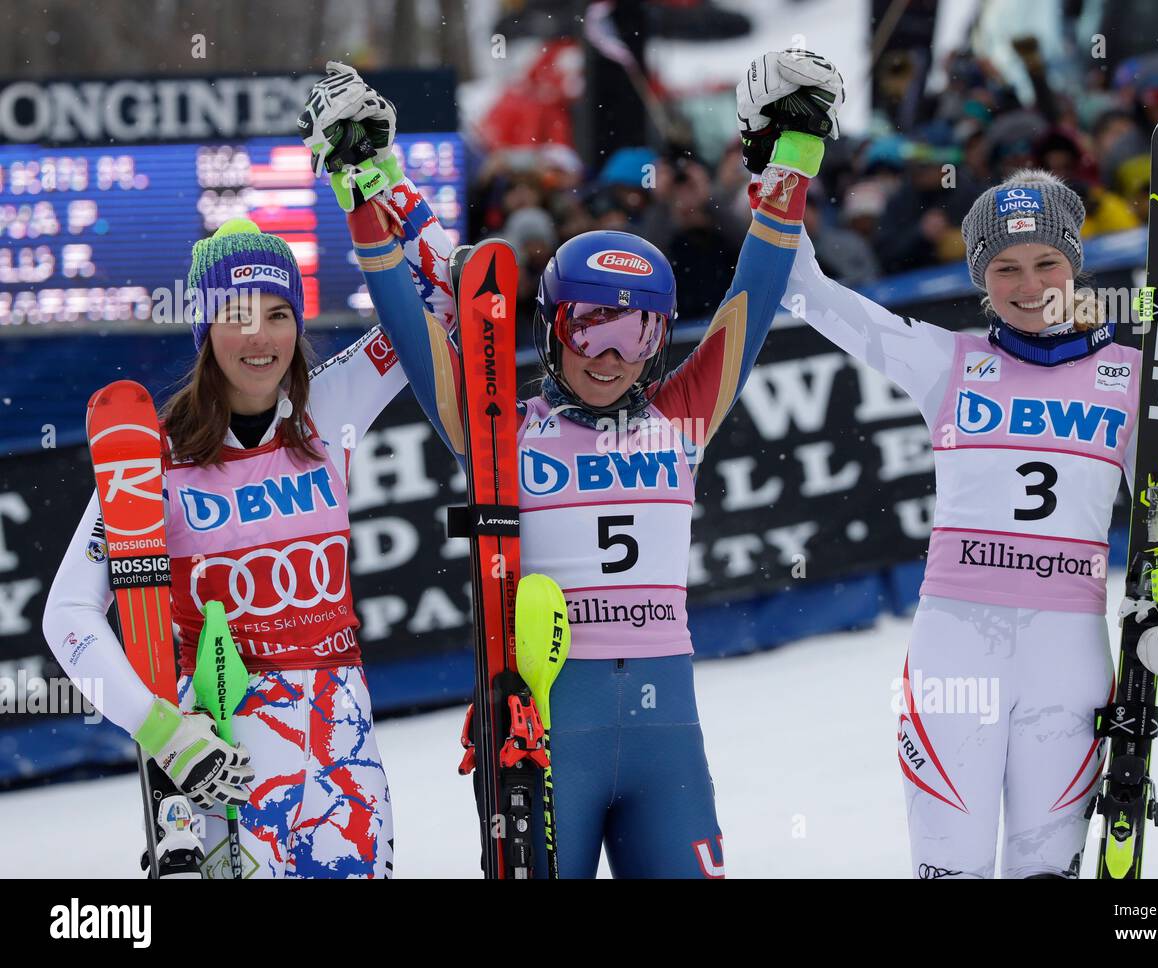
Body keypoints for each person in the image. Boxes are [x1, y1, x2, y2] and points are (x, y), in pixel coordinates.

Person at [307, 51, 843, 877]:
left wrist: (795, 153)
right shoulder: (498, 431)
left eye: (638, 334)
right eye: (591, 327)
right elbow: (415, 331)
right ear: (554, 326)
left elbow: (758, 288)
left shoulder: (681, 419)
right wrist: (361, 192)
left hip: (669, 740)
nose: (612, 355)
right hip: (549, 735)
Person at [780, 166, 1158, 879]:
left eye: (1047, 262)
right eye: (1005, 267)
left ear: (1076, 263)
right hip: (954, 654)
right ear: (982, 278)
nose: (1029, 283)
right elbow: (806, 290)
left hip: (1067, 663)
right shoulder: (946, 360)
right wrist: (782, 166)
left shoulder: (1133, 375)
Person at [41, 208, 443, 877]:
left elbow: (445, 294)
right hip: (225, 770)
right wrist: (162, 733)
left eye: (279, 313)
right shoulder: (154, 458)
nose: (260, 336)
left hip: (346, 766)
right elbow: (67, 615)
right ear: (204, 330)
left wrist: (375, 176)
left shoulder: (331, 406)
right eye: (236, 314)